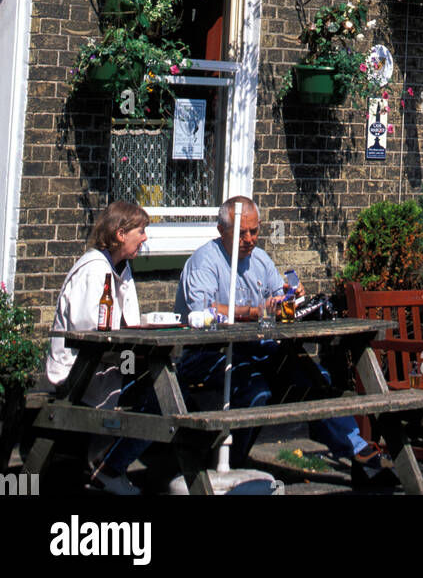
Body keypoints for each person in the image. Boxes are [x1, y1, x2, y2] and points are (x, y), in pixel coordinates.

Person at [175, 196, 388, 485]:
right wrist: (253, 312)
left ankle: (359, 452)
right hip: (209, 355)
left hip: (258, 351)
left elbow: (279, 298)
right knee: (257, 390)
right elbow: (202, 310)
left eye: (254, 231)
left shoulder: (260, 259)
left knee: (314, 375)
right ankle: (228, 463)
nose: (249, 239)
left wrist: (291, 295)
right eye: (242, 233)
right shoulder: (205, 261)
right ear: (221, 230)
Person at [46, 200, 151, 496]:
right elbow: (87, 332)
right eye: (140, 231)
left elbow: (127, 321)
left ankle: (106, 466)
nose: (144, 239)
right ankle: (107, 469)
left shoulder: (120, 268)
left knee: (158, 387)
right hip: (77, 372)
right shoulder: (93, 270)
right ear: (120, 234)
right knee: (154, 396)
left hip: (105, 366)